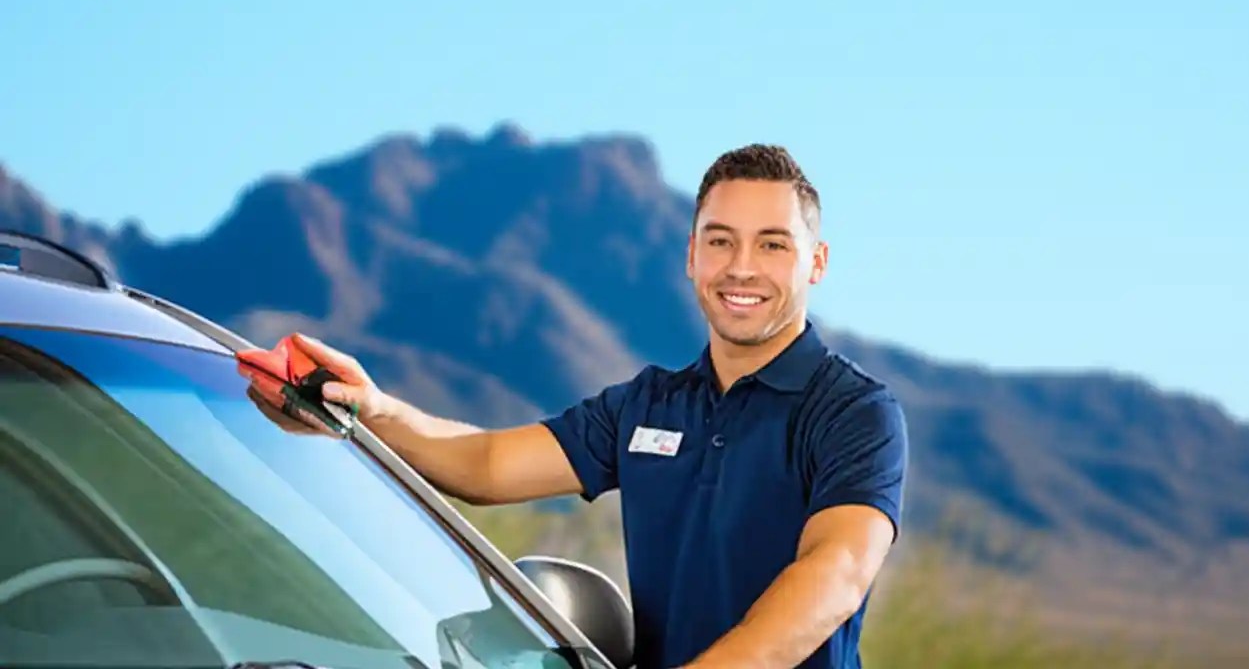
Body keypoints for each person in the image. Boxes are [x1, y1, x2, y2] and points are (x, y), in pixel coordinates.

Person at [246, 144, 909, 668]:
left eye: (772, 243)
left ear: (815, 263)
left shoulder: (855, 414)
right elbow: (488, 464)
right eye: (719, 239)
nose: (741, 266)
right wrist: (372, 410)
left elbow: (835, 574)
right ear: (690, 255)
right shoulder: (648, 404)